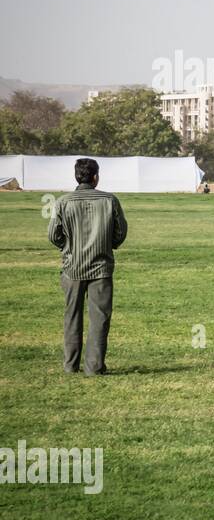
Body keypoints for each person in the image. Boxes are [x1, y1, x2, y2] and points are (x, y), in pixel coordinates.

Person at [47, 158, 128, 375]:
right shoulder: (110, 200)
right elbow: (120, 233)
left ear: (77, 176)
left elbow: (53, 235)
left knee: (71, 316)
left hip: (72, 268)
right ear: (95, 177)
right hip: (101, 267)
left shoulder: (63, 202)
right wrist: (107, 244)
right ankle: (94, 367)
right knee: (99, 318)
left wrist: (68, 248)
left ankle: (70, 365)